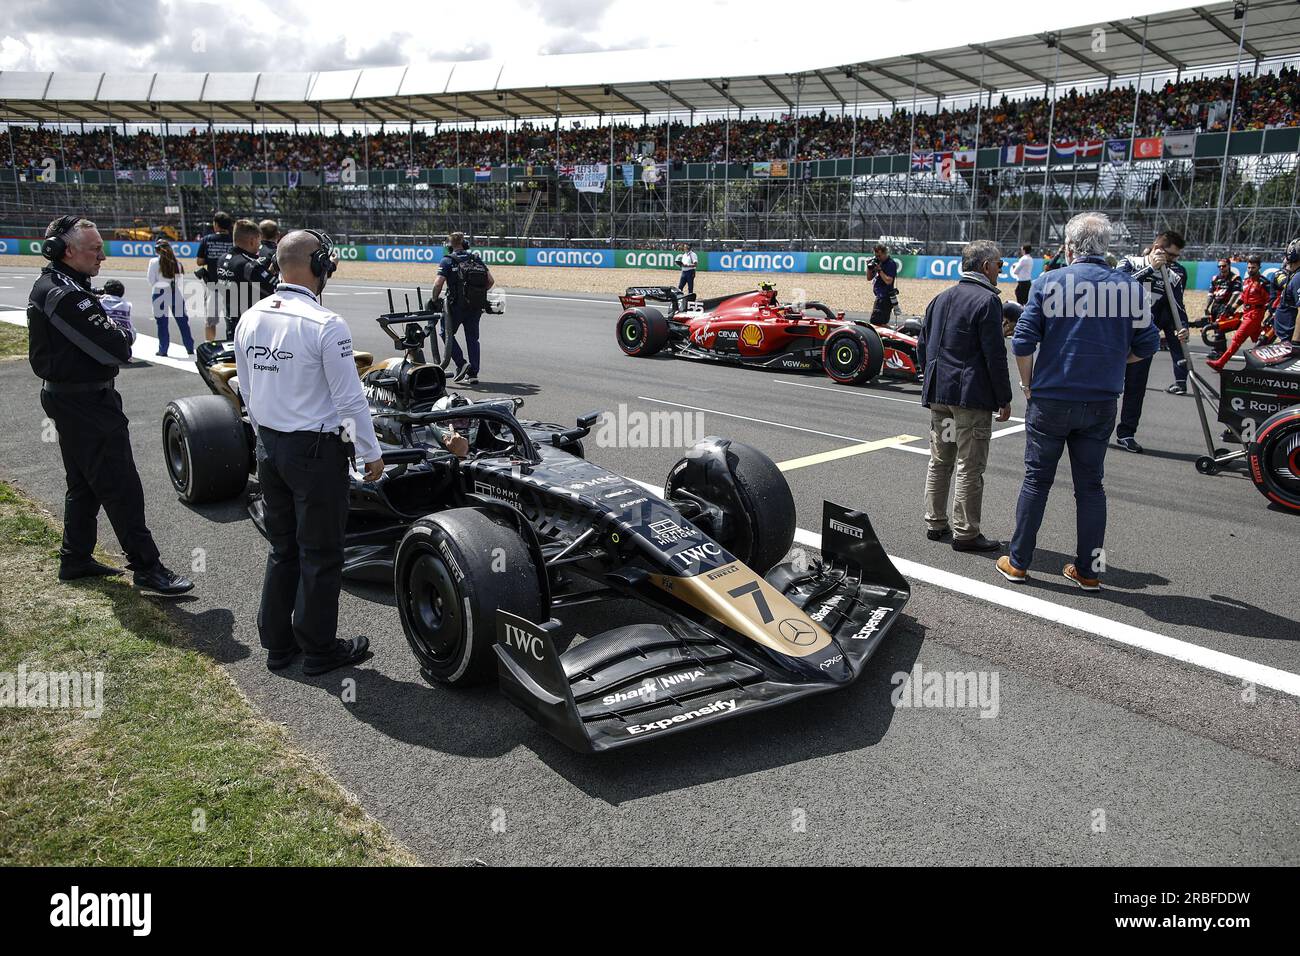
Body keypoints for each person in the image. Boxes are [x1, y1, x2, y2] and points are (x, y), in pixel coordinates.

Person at [233, 229, 378, 675]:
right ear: (318, 266)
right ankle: (318, 650)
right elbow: (350, 399)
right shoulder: (325, 323)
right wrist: (370, 452)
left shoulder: (251, 316)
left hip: (270, 446)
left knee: (283, 549)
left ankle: (278, 646)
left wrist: (265, 438)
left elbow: (246, 388)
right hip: (314, 453)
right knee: (321, 552)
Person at [26, 216, 193, 594]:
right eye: (95, 249)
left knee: (84, 483)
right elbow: (118, 349)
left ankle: (75, 557)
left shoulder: (65, 286)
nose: (103, 256)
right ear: (65, 251)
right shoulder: (66, 294)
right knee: (122, 486)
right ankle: (148, 568)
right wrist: (113, 325)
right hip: (86, 401)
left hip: (73, 397)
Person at [1000, 212, 1159, 590]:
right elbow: (1149, 345)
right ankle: (1091, 571)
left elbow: (1022, 342)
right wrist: (1114, 363)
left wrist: (1027, 386)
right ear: (1107, 248)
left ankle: (1019, 562)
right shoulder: (1129, 288)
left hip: (1051, 399)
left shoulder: (1049, 281)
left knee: (1037, 481)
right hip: (1102, 401)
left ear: (1070, 248)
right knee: (1092, 488)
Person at [917, 240, 1013, 553]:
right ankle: (966, 532)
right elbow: (995, 355)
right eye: (1000, 265)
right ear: (986, 267)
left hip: (939, 395)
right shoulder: (987, 301)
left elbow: (921, 344)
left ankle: (935, 521)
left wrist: (930, 379)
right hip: (969, 399)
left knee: (940, 459)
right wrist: (1004, 396)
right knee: (970, 465)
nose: (1002, 270)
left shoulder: (940, 298)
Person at [1114, 229, 1191, 453]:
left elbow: (1177, 306)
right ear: (1158, 248)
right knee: (1105, 382)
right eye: (1172, 255)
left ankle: (1126, 433)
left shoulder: (1174, 277)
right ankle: (1092, 427)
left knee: (1136, 388)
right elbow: (1119, 287)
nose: (1175, 260)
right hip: (1117, 333)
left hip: (1144, 338)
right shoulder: (1129, 262)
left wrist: (1182, 327)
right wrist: (1151, 269)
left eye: (1177, 256)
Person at [430, 231, 494, 386]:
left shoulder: (447, 260)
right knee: (473, 339)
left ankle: (461, 363)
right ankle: (473, 374)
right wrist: (476, 294)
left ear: (449, 246)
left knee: (446, 334)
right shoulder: (475, 258)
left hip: (455, 306)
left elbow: (438, 284)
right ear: (465, 244)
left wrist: (433, 299)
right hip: (475, 306)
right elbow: (490, 281)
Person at [216, 218, 277, 341]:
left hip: (231, 321)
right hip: (251, 327)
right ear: (252, 240)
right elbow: (274, 288)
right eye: (259, 241)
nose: (260, 245)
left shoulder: (222, 259)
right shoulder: (248, 265)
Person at [1208, 255, 1270, 370]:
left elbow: (1269, 300)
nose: (1251, 270)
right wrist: (1232, 308)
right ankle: (1273, 362)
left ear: (1259, 268)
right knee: (1260, 340)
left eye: (1253, 268)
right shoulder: (1246, 281)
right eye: (1249, 268)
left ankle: (1220, 363)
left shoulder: (1263, 283)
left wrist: (1268, 314)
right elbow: (1242, 298)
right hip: (1246, 312)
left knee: (1238, 338)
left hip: (1255, 314)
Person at [146, 238, 194, 356]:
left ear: (157, 250)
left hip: (159, 292)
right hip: (174, 292)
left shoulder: (153, 262)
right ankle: (189, 348)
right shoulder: (177, 263)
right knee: (183, 322)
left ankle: (163, 350)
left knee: (162, 324)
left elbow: (151, 280)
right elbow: (179, 280)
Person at [195, 211, 233, 342]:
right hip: (233, 286)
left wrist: (211, 260)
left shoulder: (207, 239)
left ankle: (210, 345)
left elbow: (199, 261)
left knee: (211, 321)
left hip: (213, 285)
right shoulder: (234, 240)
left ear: (216, 224)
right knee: (235, 319)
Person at [1270, 238, 1300, 347]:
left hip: (1291, 341)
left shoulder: (1298, 277)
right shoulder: (1294, 275)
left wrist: (1296, 342)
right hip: (1286, 338)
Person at [1204, 258, 1242, 332]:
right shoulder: (1215, 278)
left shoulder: (1235, 278)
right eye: (1219, 266)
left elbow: (1236, 294)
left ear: (1229, 266)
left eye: (1224, 266)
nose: (1221, 268)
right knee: (1215, 329)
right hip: (1215, 306)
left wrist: (1228, 306)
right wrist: (1206, 307)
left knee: (1219, 330)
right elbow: (1211, 294)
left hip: (1225, 305)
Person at [867, 243, 899, 325]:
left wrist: (880, 270)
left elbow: (889, 281)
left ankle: (892, 336)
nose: (878, 258)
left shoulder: (891, 264)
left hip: (885, 298)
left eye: (879, 256)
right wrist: (869, 267)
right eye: (876, 256)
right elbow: (869, 278)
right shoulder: (877, 262)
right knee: (878, 323)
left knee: (877, 323)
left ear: (885, 253)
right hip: (879, 297)